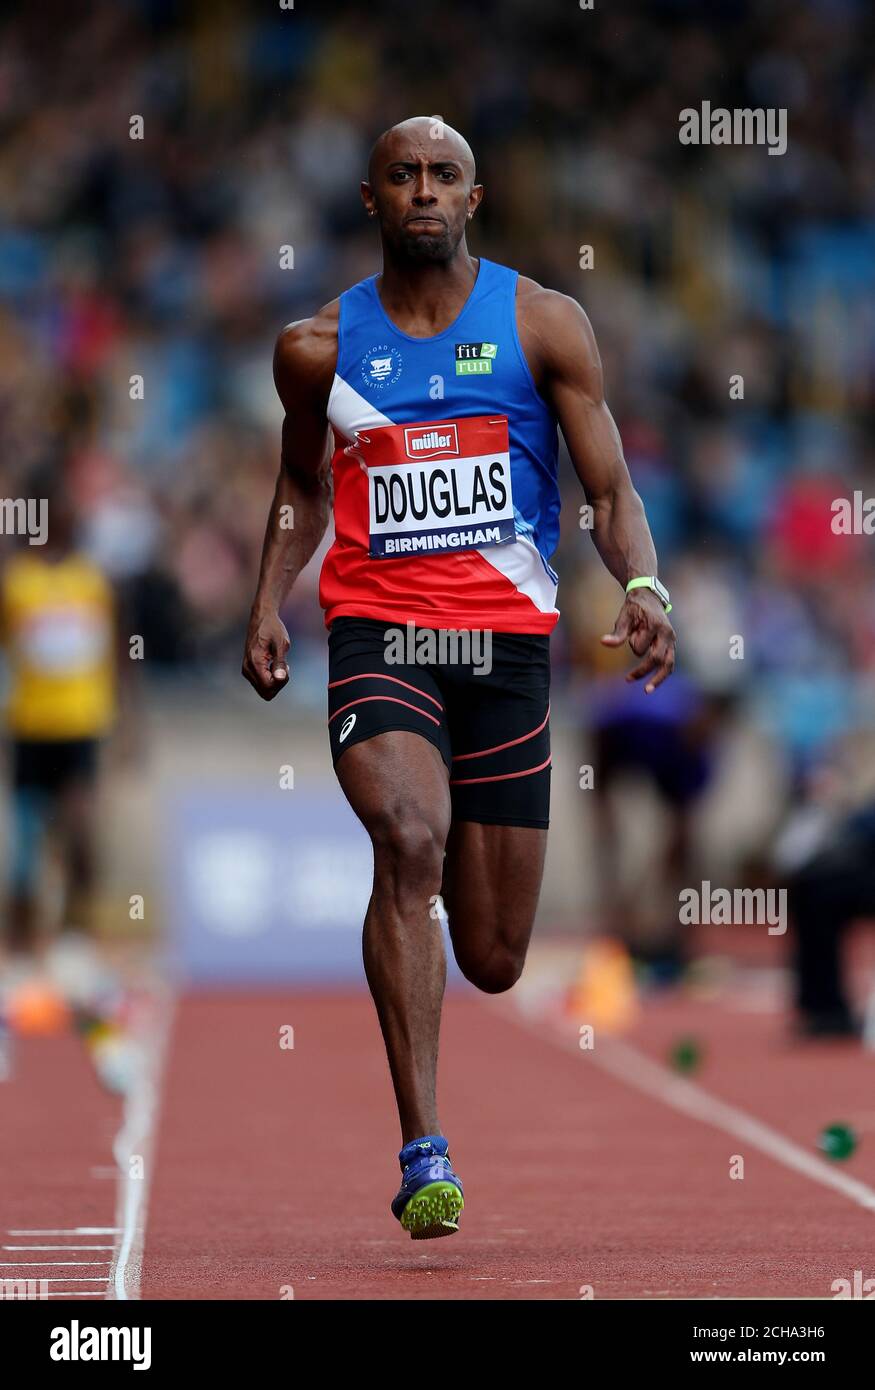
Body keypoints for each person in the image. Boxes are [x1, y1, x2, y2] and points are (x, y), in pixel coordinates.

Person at [243, 117, 675, 1238]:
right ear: (369, 197)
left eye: (443, 176)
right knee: (409, 837)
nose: (423, 191)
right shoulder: (315, 347)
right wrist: (266, 599)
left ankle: (443, 1020)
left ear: (473, 198)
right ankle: (422, 1144)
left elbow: (610, 488)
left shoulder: (544, 323)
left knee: (490, 953)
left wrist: (644, 585)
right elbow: (299, 488)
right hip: (382, 630)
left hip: (506, 648)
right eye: (403, 176)